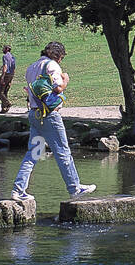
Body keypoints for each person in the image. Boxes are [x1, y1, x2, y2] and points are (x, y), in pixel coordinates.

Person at [11, 42, 96, 201]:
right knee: (63, 152)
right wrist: (65, 80)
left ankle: (18, 189)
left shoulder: (31, 67)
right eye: (61, 57)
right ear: (57, 55)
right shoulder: (52, 66)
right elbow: (58, 88)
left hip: (35, 115)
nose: (61, 61)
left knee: (33, 153)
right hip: (50, 116)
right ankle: (74, 188)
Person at [0, 44, 16, 113]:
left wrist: (2, 77)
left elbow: (5, 67)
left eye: (4, 48)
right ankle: (4, 109)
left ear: (7, 49)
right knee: (5, 92)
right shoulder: (13, 57)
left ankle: (7, 103)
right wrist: (11, 79)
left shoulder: (5, 56)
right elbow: (14, 68)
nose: (2, 50)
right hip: (11, 75)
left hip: (6, 75)